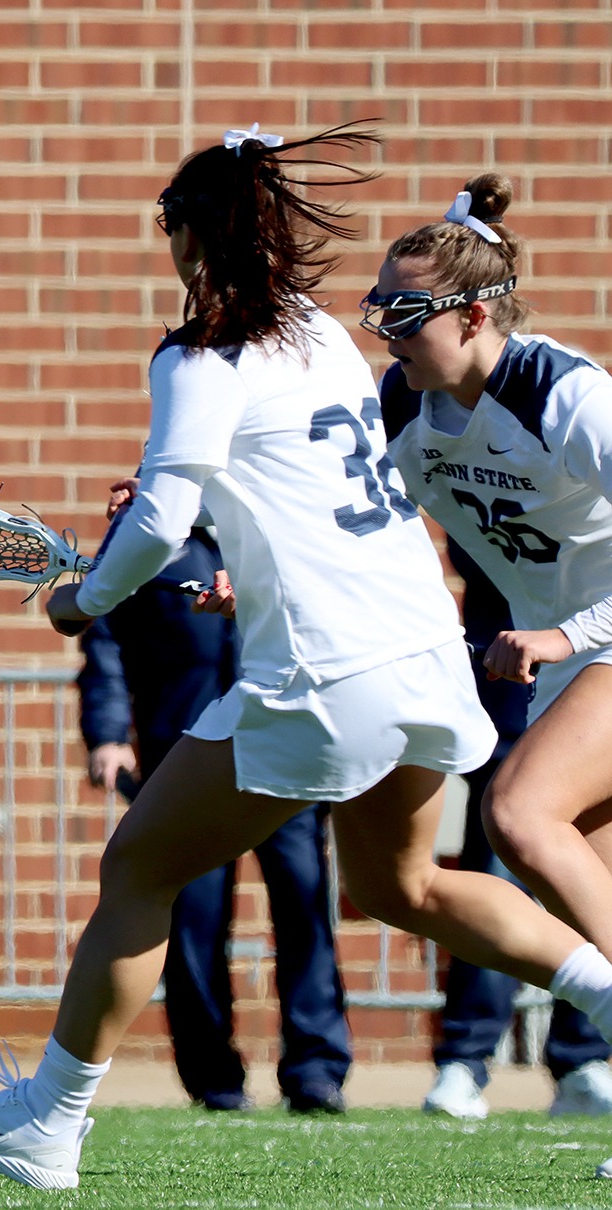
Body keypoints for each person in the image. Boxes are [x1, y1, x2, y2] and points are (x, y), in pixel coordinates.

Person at [0, 124, 612, 1192]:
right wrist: (237, 562)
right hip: (420, 657)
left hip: (331, 676)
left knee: (137, 865)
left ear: (189, 238)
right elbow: (312, 500)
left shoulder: (199, 351)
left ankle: (48, 1120)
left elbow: (158, 522)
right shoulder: (324, 335)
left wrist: (81, 600)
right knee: (402, 882)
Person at [362, 176, 612, 1125]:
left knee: (518, 812)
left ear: (472, 314)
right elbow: (348, 537)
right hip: (572, 662)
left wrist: (563, 634)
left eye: (405, 310)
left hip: (595, 643)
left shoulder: (563, 392)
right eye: (376, 306)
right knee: (589, 887)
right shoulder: (407, 404)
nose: (385, 329)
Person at [77, 520, 351, 1114]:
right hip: (185, 760)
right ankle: (213, 1077)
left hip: (285, 758)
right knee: (193, 923)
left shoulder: (279, 518)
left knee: (305, 911)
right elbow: (105, 635)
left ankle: (316, 1070)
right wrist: (106, 733)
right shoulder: (151, 528)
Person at [422, 543, 612, 1120]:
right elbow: (358, 495)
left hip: (588, 678)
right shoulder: (438, 455)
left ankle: (582, 1057)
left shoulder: (578, 453)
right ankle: (467, 1056)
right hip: (515, 698)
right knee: (484, 870)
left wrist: (566, 635)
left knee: (521, 820)